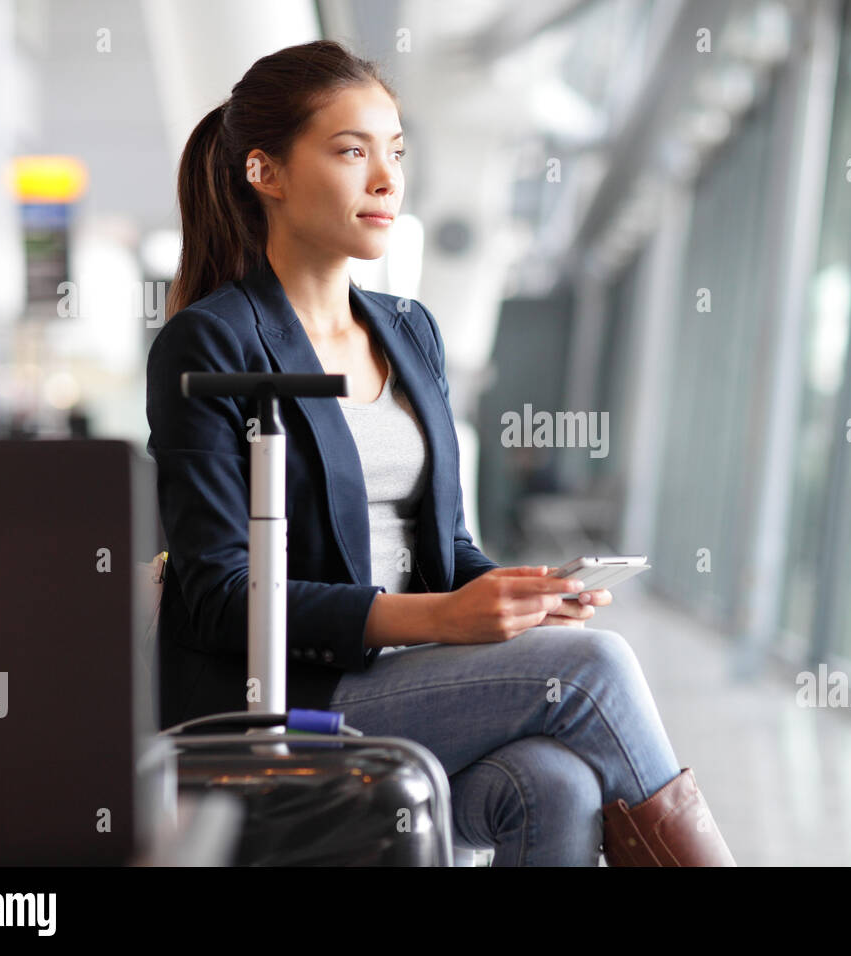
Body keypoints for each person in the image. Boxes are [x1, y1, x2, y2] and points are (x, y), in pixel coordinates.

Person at [146, 39, 735, 867]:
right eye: (351, 152)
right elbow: (218, 597)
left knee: (554, 782)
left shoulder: (409, 329)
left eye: (395, 152)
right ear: (265, 173)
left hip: (410, 676)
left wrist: (512, 593)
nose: (386, 179)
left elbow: (445, 545)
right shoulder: (210, 343)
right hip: (288, 697)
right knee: (595, 668)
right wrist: (438, 618)